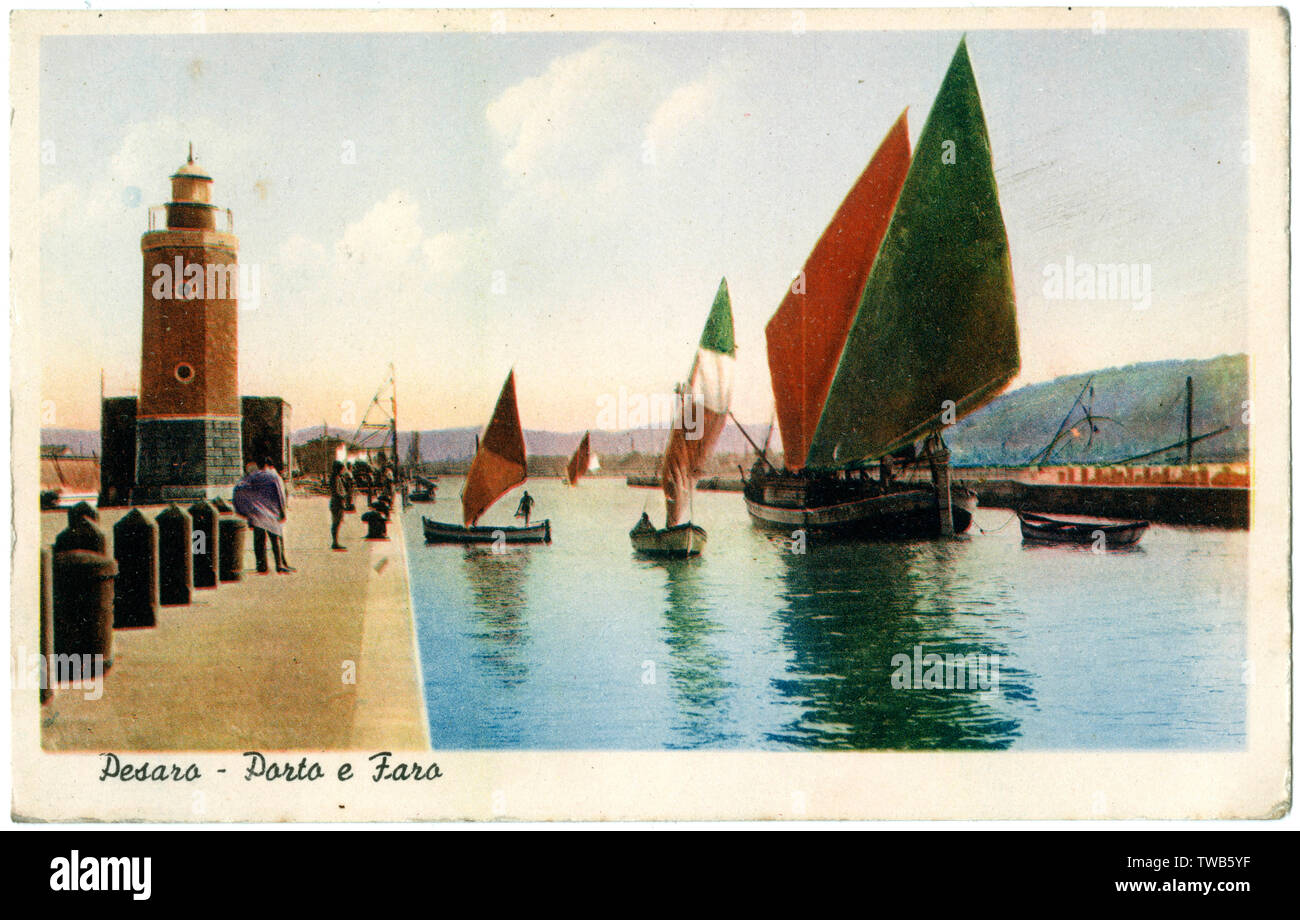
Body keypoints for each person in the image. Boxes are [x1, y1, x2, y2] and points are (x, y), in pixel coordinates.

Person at [233, 457, 295, 574]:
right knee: (275, 540)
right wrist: (283, 512)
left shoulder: (252, 477)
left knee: (259, 541)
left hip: (256, 513)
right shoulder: (274, 477)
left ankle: (262, 567)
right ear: (269, 465)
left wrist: (243, 510)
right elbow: (281, 496)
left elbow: (238, 489)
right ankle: (279, 565)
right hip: (272, 513)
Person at [329, 460, 348, 551]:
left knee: (337, 523)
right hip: (337, 503)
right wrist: (343, 497)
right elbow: (336, 492)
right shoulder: (335, 478)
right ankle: (335, 542)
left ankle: (335, 542)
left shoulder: (337, 477)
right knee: (336, 523)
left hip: (337, 502)